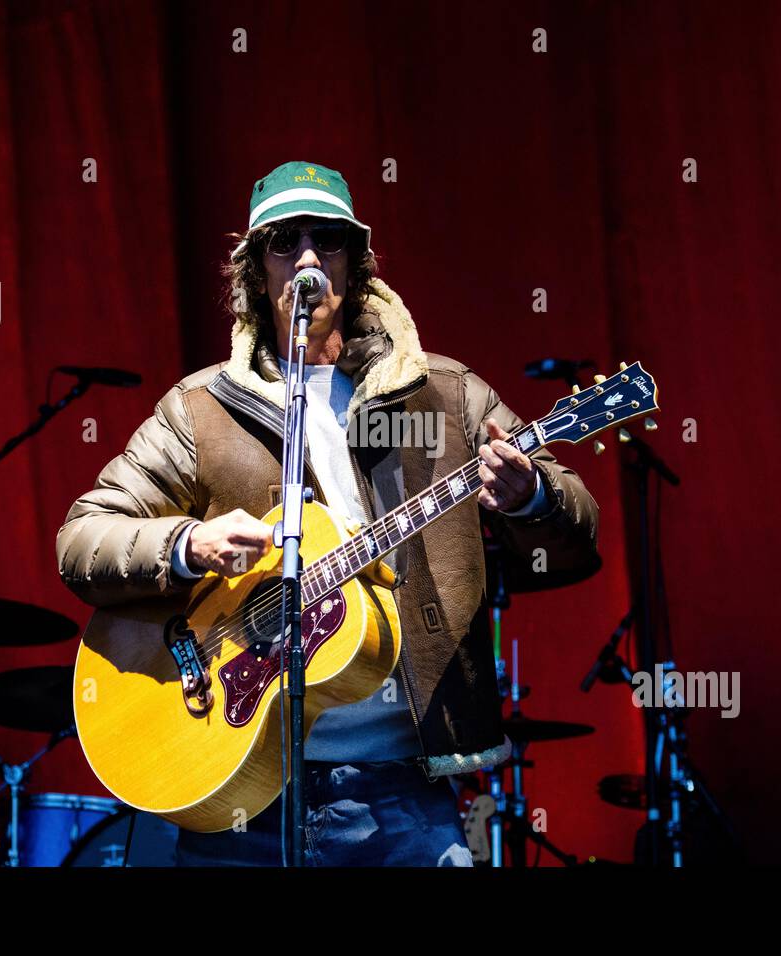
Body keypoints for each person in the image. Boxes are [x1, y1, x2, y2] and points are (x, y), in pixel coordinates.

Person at [56, 160, 600, 865]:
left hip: (398, 799)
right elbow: (82, 540)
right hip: (237, 789)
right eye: (285, 240)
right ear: (256, 269)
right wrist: (190, 543)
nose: (308, 256)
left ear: (356, 262)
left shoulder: (444, 397)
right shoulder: (201, 412)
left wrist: (531, 497)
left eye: (329, 238)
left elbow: (577, 535)